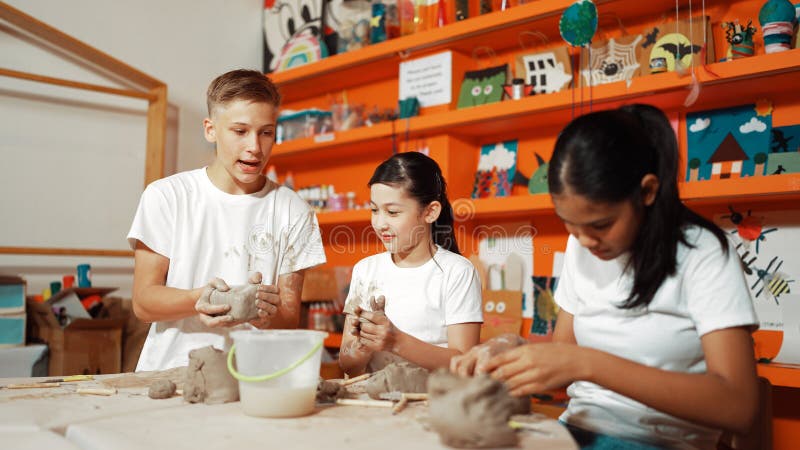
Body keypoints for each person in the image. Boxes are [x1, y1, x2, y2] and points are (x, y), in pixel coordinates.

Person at [451, 104, 759, 449]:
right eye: (570, 224)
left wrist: (589, 364)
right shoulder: (582, 245)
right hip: (576, 429)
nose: (584, 240)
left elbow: (738, 406)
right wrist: (507, 350)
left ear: (647, 191)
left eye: (600, 225)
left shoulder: (703, 252)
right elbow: (561, 359)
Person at [127, 69, 326, 371]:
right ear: (211, 129)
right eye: (240, 131)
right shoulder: (167, 196)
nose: (255, 148)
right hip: (171, 373)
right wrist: (200, 299)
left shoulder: (293, 210)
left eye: (266, 132)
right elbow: (143, 302)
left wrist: (264, 313)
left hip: (253, 378)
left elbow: (288, 317)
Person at [339, 152, 483, 376]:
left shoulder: (457, 272)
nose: (379, 223)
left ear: (430, 211)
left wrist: (395, 341)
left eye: (392, 212)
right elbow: (347, 364)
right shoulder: (365, 270)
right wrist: (363, 344)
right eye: (374, 210)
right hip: (375, 402)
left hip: (433, 403)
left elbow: (465, 363)